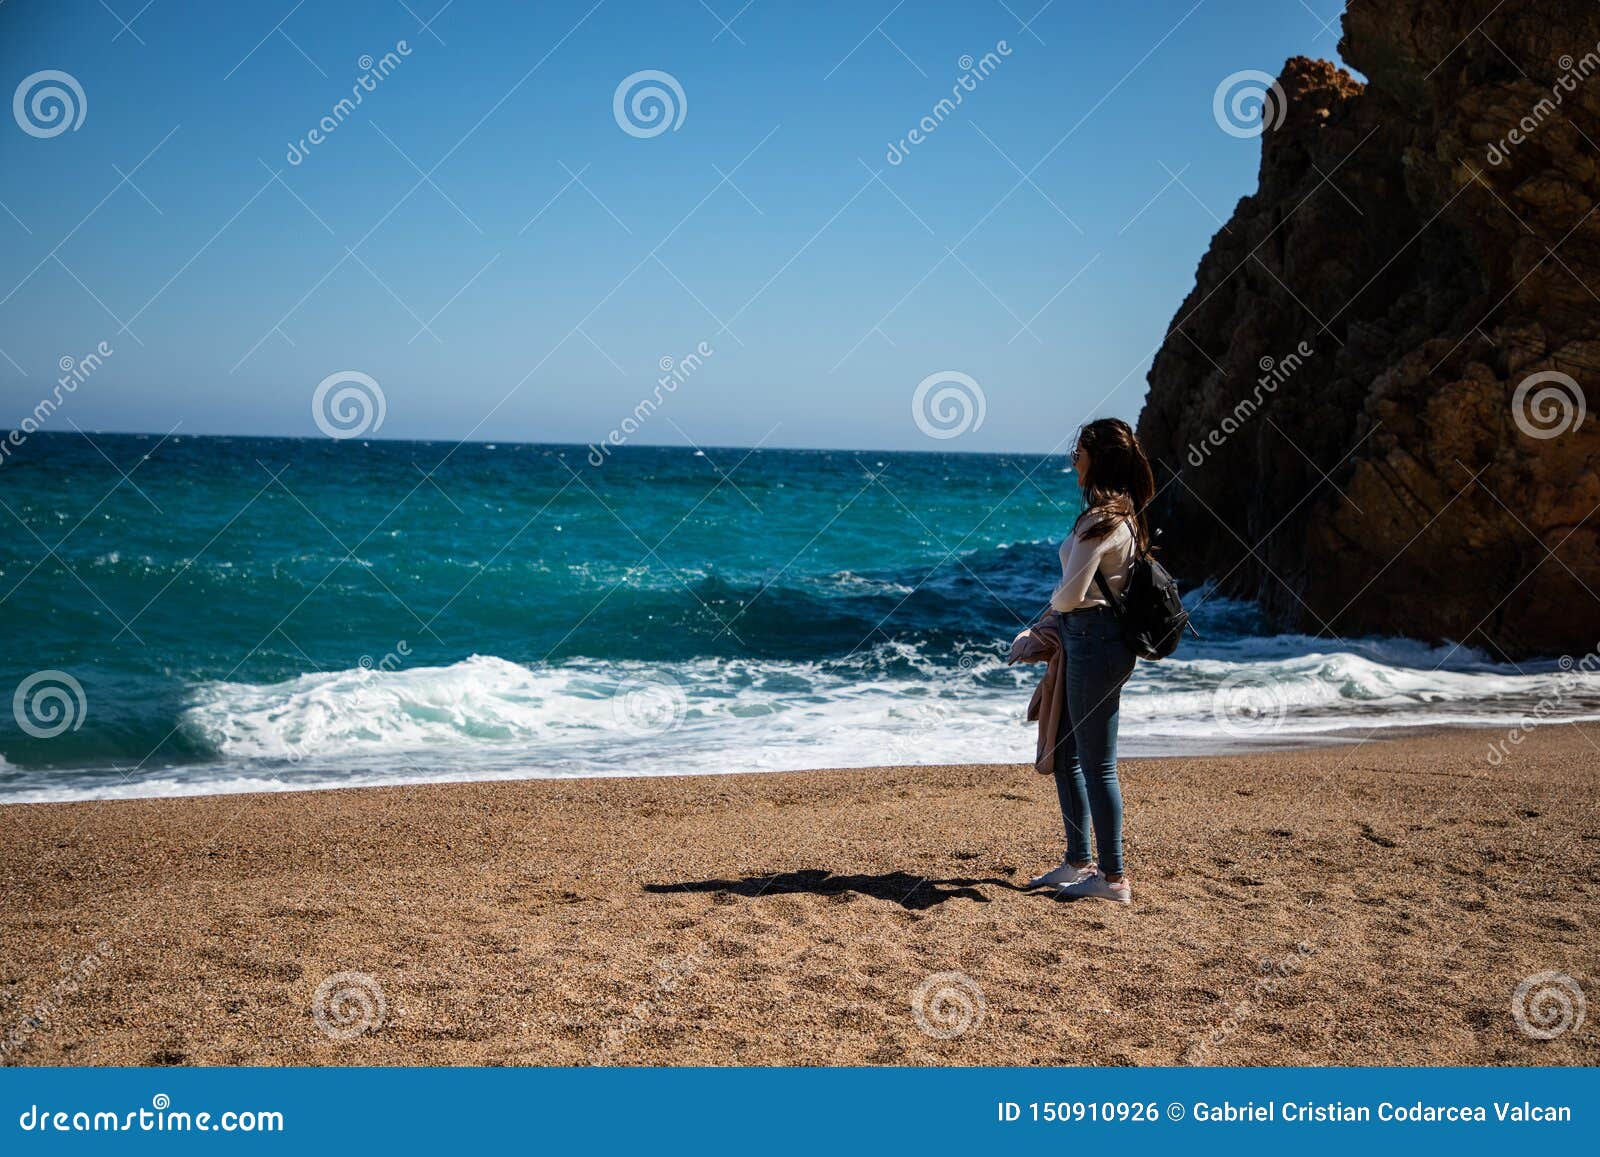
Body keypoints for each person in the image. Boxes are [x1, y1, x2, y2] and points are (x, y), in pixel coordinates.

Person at [1027, 418, 1154, 904]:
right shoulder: (1124, 517)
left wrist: (1043, 618)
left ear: (1095, 457)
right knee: (1064, 754)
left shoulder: (1101, 520)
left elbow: (1070, 596)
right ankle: (1079, 860)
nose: (1072, 459)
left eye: (1078, 450)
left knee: (1096, 764)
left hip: (1094, 642)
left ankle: (1113, 877)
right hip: (1094, 642)